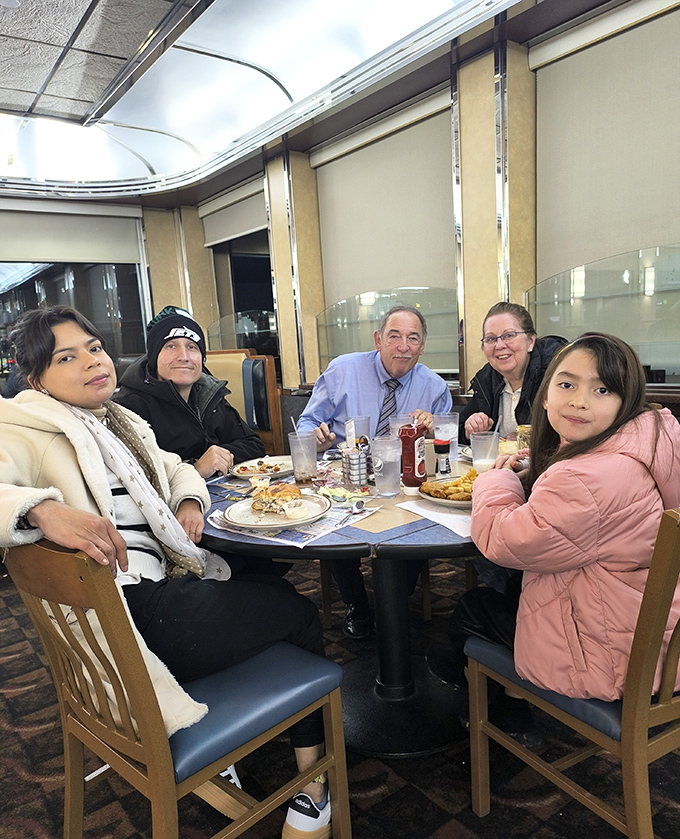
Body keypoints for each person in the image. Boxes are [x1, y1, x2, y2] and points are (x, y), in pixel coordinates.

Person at [0, 306, 333, 838]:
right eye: (68, 356)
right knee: (300, 614)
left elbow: (174, 465)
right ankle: (314, 790)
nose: (92, 361)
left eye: (94, 348)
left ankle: (214, 718)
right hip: (130, 616)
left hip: (155, 593)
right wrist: (40, 508)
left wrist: (188, 498)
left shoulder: (118, 420)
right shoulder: (23, 426)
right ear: (36, 377)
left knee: (268, 584)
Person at [444, 333, 680, 744]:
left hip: (610, 656)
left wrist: (495, 479)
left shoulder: (586, 480)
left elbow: (501, 541)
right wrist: (537, 470)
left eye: (601, 389)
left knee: (470, 609)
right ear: (547, 393)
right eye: (567, 384)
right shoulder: (655, 435)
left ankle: (509, 710)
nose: (579, 401)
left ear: (626, 400)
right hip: (653, 629)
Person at [297, 304, 452, 639]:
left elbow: (447, 452)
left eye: (413, 338)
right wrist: (316, 437)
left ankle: (393, 602)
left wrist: (430, 435)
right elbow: (307, 422)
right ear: (378, 339)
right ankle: (356, 604)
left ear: (422, 346)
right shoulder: (342, 371)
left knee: (418, 528)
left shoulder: (435, 387)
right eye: (394, 336)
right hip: (345, 479)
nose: (403, 346)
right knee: (333, 530)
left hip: (404, 486)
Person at [115, 306, 265, 480]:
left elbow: (253, 445)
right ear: (154, 357)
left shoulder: (208, 393)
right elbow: (132, 478)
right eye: (171, 346)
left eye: (192, 347)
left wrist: (218, 458)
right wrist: (195, 468)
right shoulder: (128, 406)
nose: (183, 356)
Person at [459, 301, 567, 442]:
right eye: (491, 339)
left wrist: (527, 439)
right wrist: (470, 430)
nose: (499, 345)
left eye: (509, 335)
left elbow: (574, 430)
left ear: (530, 342)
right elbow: (458, 432)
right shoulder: (486, 380)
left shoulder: (554, 376)